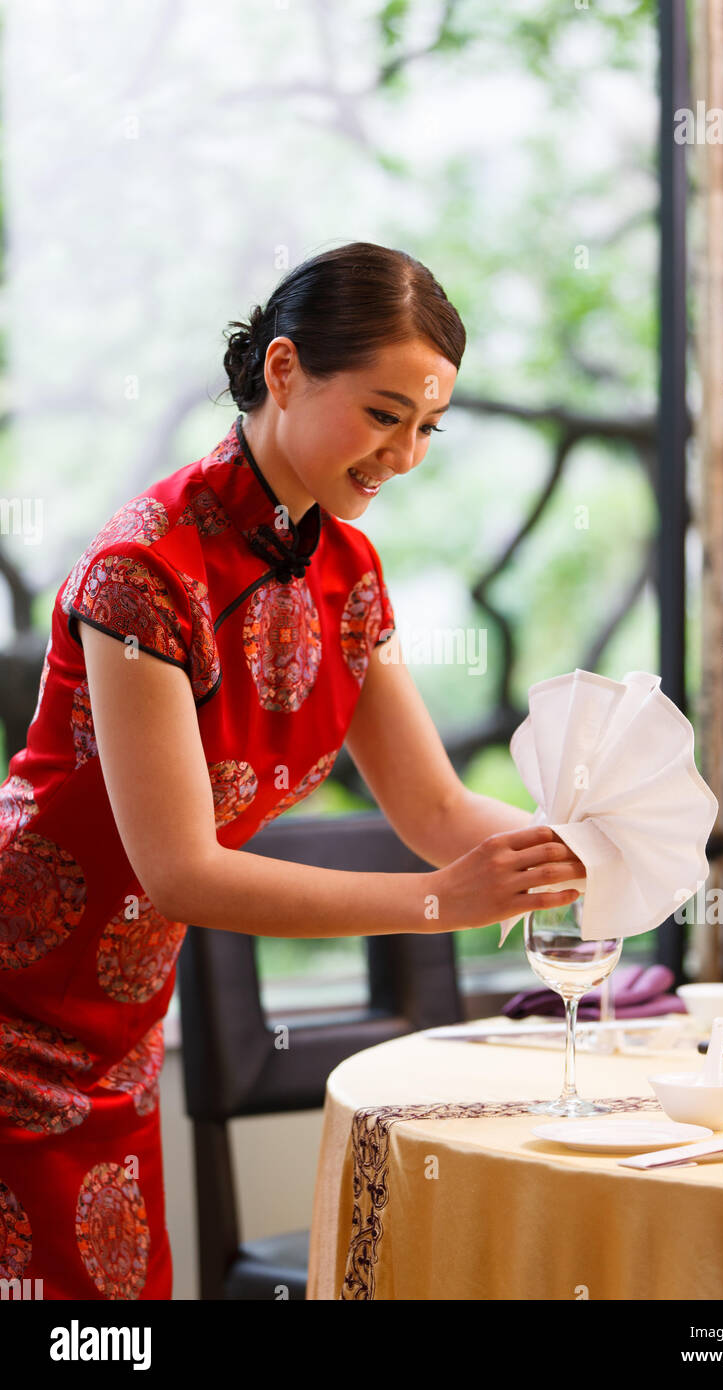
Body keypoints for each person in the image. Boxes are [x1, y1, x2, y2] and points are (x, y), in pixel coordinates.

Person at [0, 240, 585, 1300]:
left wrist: (586, 850)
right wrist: (437, 904)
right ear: (283, 369)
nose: (404, 455)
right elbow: (182, 873)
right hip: (16, 1008)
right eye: (383, 414)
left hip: (120, 1030)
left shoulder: (349, 571)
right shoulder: (145, 570)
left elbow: (434, 805)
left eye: (427, 428)